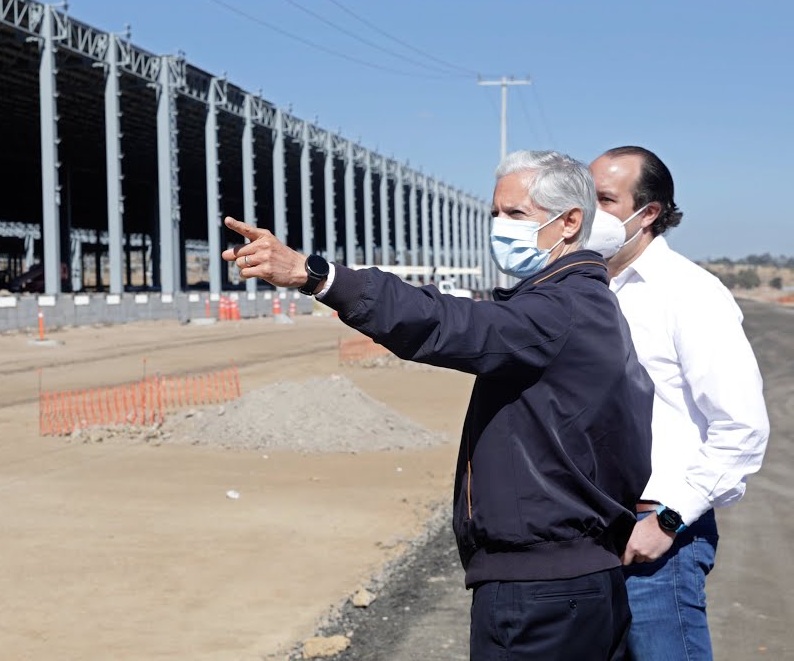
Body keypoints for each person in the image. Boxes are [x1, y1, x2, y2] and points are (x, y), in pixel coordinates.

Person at [223, 150, 653, 660]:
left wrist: (319, 277)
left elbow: (450, 323)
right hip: (582, 580)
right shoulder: (593, 305)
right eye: (495, 214)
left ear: (570, 222)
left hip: (540, 594)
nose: (500, 226)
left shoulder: (559, 310)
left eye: (516, 215)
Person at [587, 146, 769, 660]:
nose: (587, 213)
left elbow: (741, 427)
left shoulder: (690, 293)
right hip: (590, 533)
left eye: (604, 199)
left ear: (648, 213)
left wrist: (668, 522)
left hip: (659, 538)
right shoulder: (589, 290)